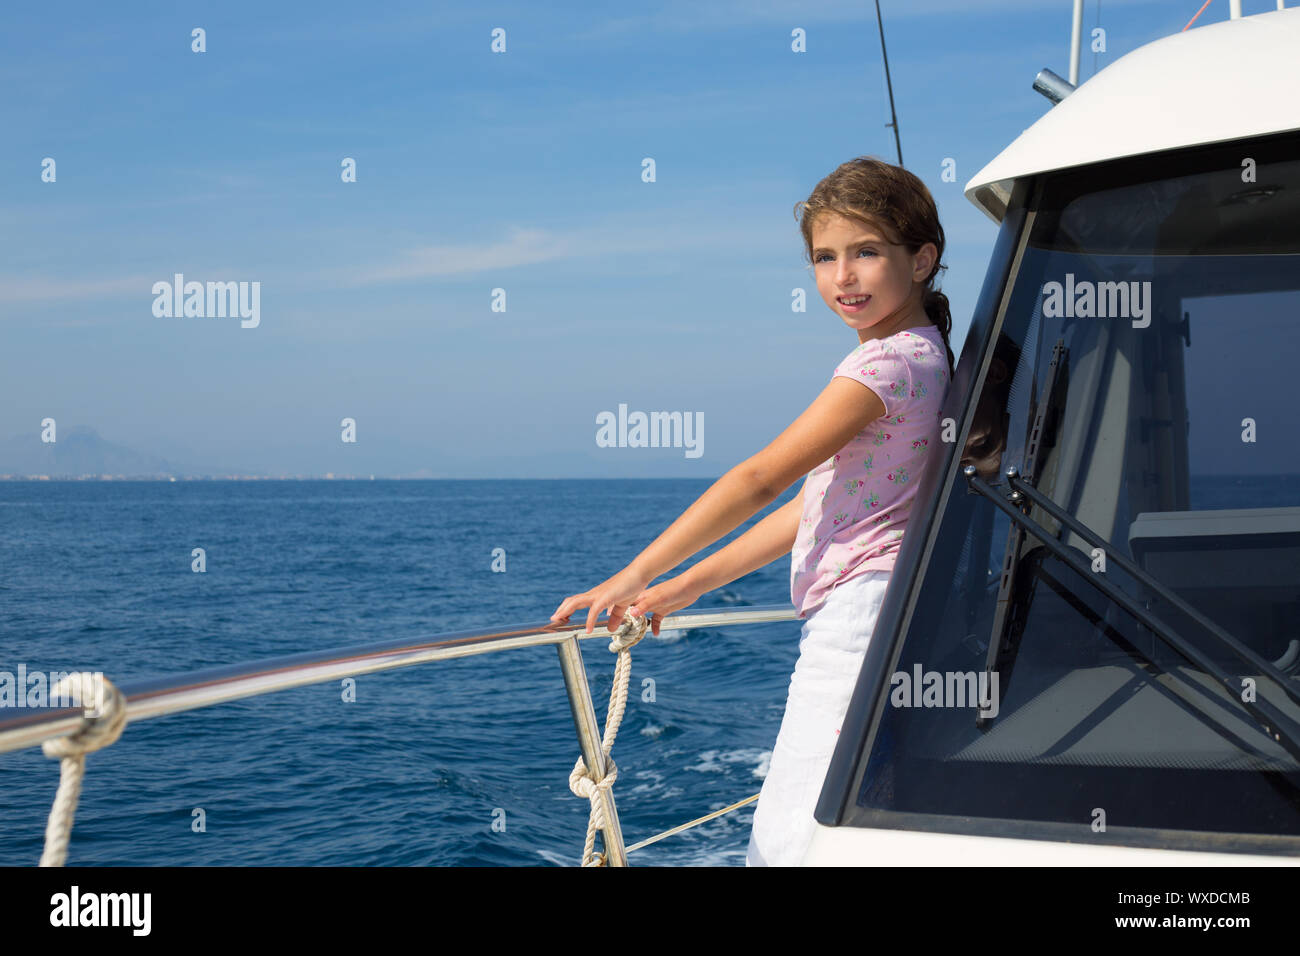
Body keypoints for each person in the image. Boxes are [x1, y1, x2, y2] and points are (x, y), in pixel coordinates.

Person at [550, 156, 954, 866]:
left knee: (786, 841)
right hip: (878, 614)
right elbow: (812, 505)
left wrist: (631, 573)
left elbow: (764, 478)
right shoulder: (926, 353)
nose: (843, 277)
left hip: (859, 623)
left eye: (867, 252)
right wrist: (684, 585)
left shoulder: (882, 367)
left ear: (922, 259)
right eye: (825, 258)